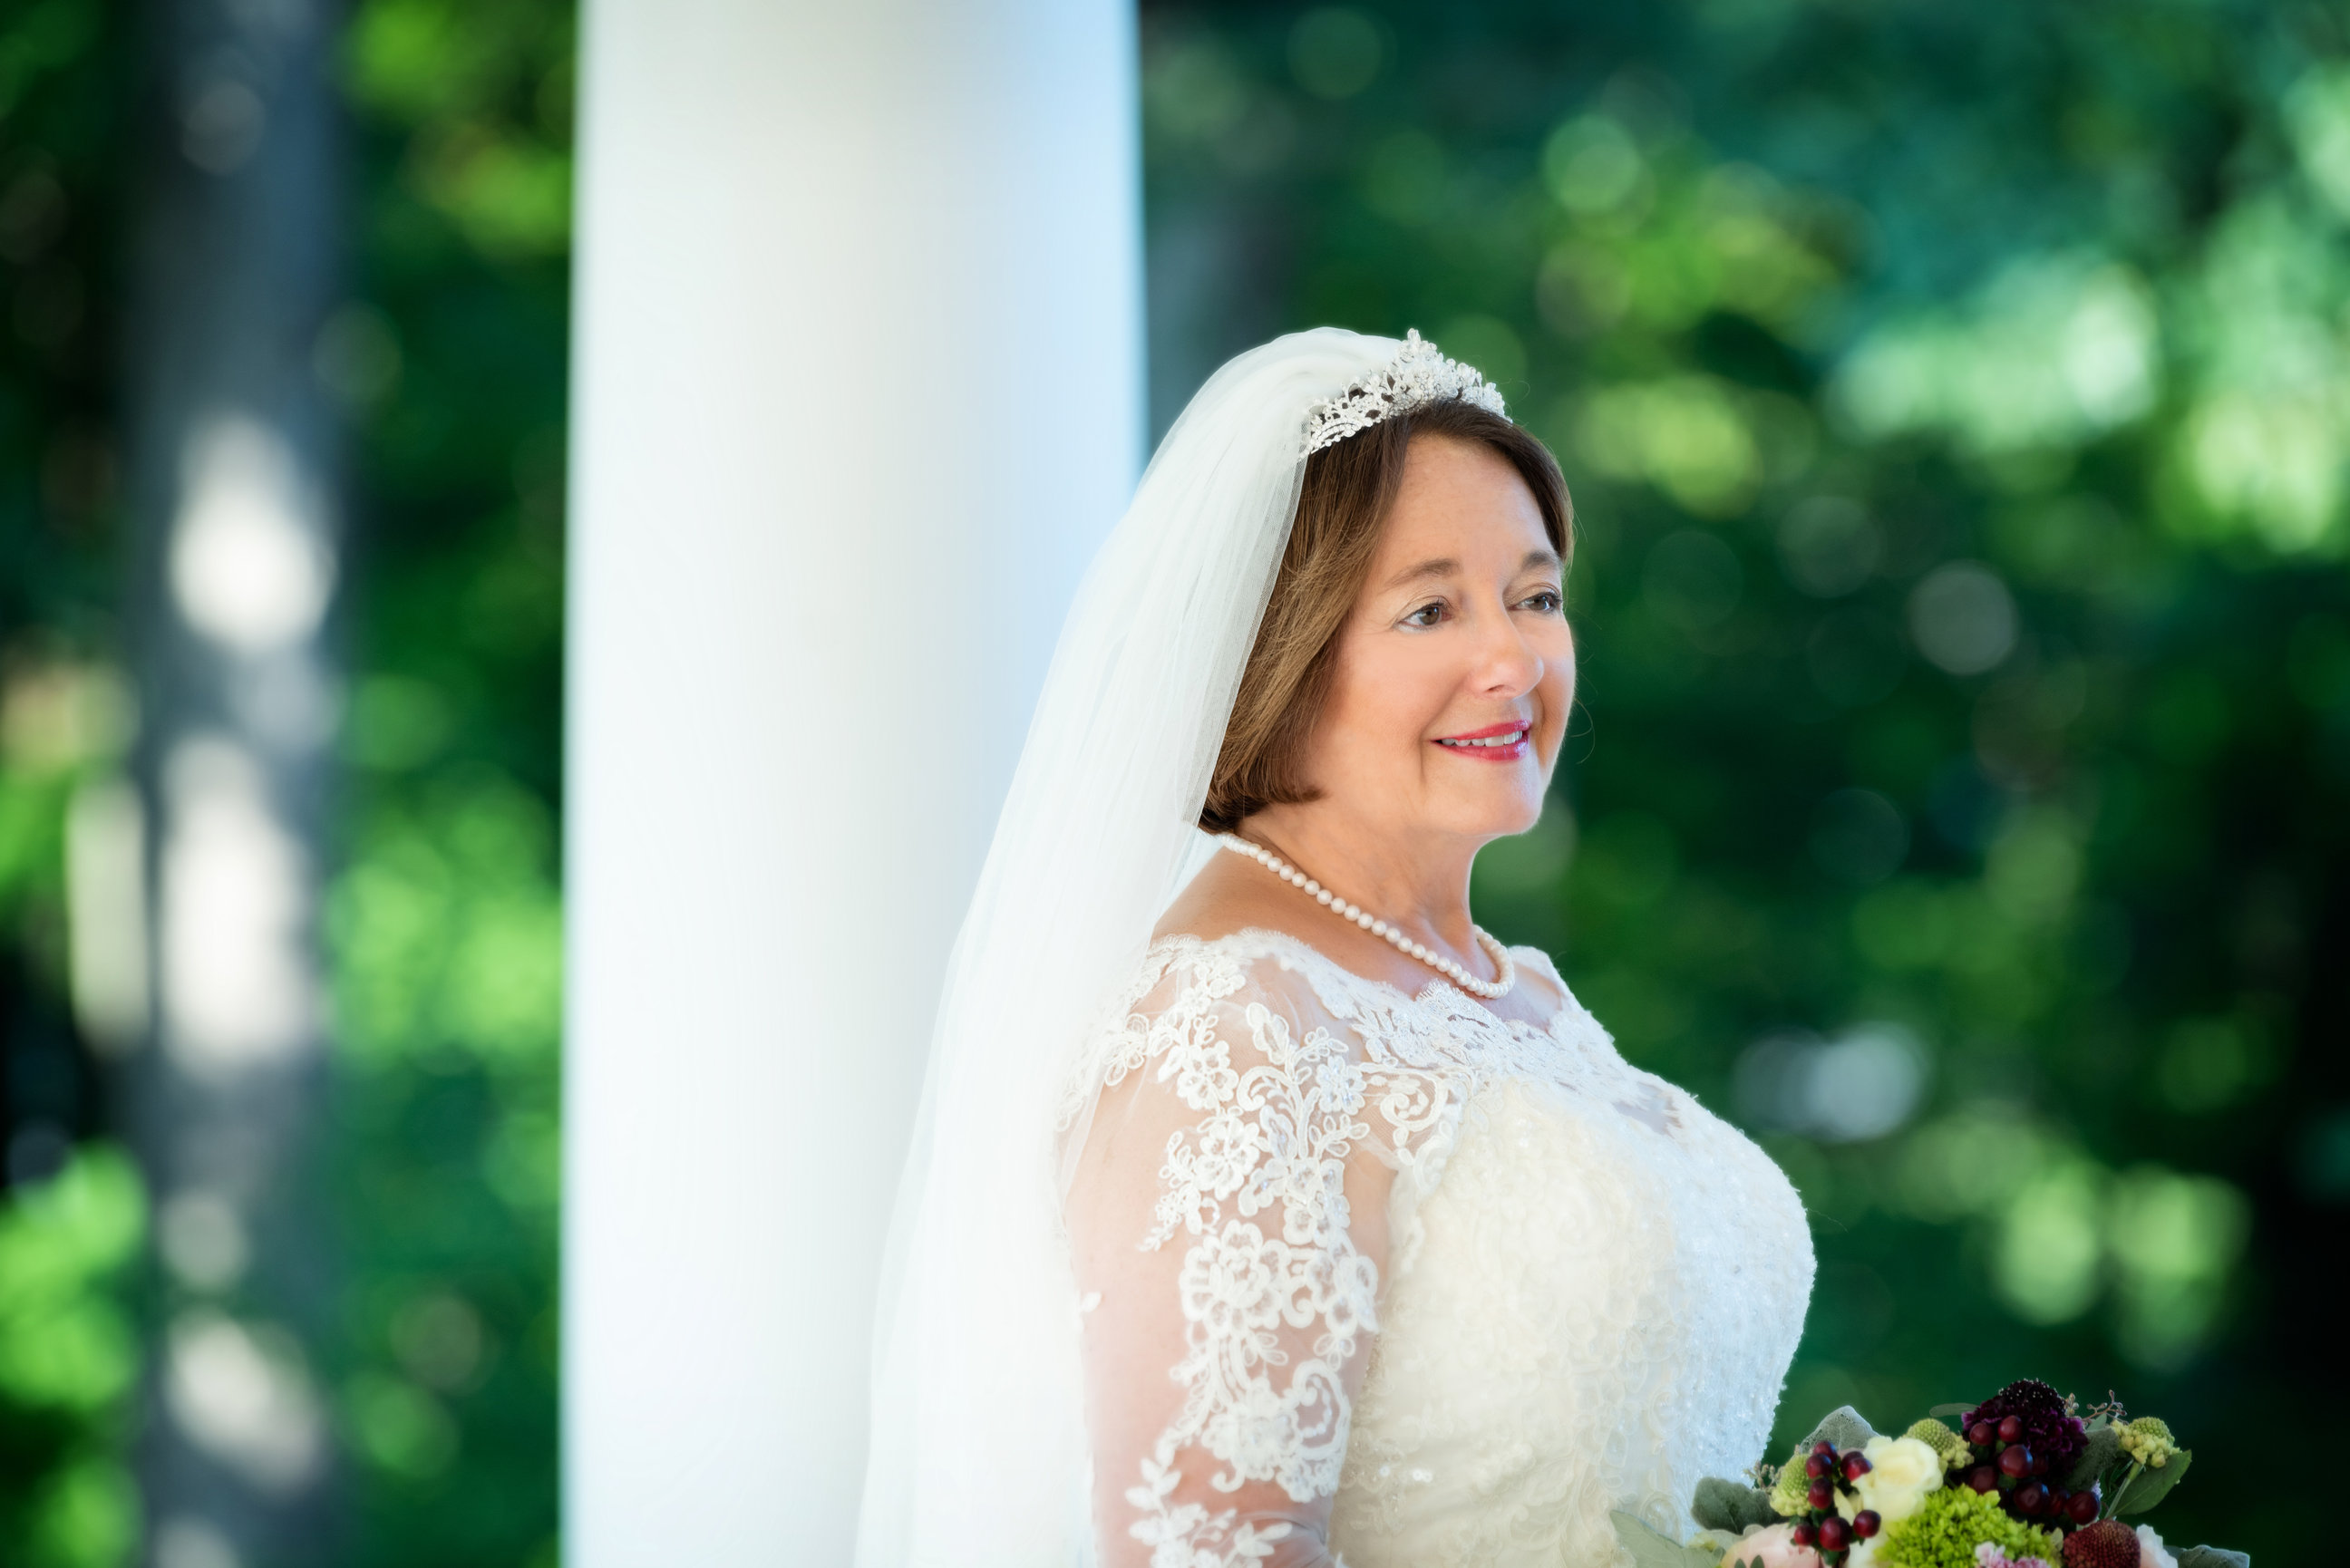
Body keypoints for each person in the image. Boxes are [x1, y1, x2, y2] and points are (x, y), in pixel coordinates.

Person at [856, 329, 1814, 1568]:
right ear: (1276, 655)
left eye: (1535, 596)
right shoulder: (1239, 1024)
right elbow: (1214, 1545)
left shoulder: (1515, 990)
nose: (1514, 661)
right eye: (1430, 608)